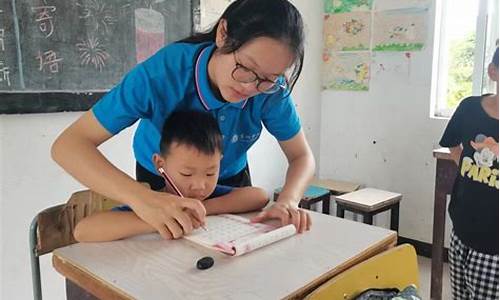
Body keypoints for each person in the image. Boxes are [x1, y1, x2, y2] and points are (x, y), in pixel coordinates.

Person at [51, 0, 315, 240]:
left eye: (269, 78)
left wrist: (289, 200)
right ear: (223, 34)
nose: (251, 87)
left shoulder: (272, 91)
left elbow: (301, 157)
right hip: (162, 183)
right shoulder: (162, 75)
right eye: (245, 68)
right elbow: (69, 145)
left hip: (228, 187)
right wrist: (143, 199)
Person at [74, 110, 270, 242]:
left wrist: (203, 209)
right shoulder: (152, 203)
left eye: (211, 172)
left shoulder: (209, 197)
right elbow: (83, 231)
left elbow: (259, 196)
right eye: (187, 173)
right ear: (160, 164)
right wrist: (162, 219)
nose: (200, 185)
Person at [439, 47, 499, 299]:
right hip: (462, 222)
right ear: (493, 72)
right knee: (459, 293)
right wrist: (466, 164)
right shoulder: (469, 108)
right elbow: (453, 143)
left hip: (493, 240)